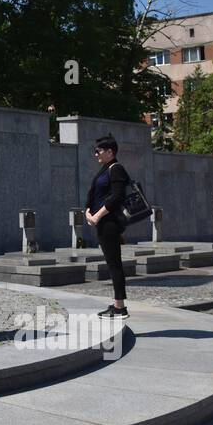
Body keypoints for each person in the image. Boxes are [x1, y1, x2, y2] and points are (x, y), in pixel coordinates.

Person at [84, 134, 130, 319]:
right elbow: (94, 194)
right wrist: (87, 211)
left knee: (114, 264)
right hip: (101, 222)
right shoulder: (105, 169)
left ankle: (120, 307)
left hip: (109, 223)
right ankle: (118, 305)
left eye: (99, 151)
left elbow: (117, 196)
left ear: (110, 151)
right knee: (112, 263)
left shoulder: (116, 168)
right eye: (95, 151)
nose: (96, 154)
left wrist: (97, 215)